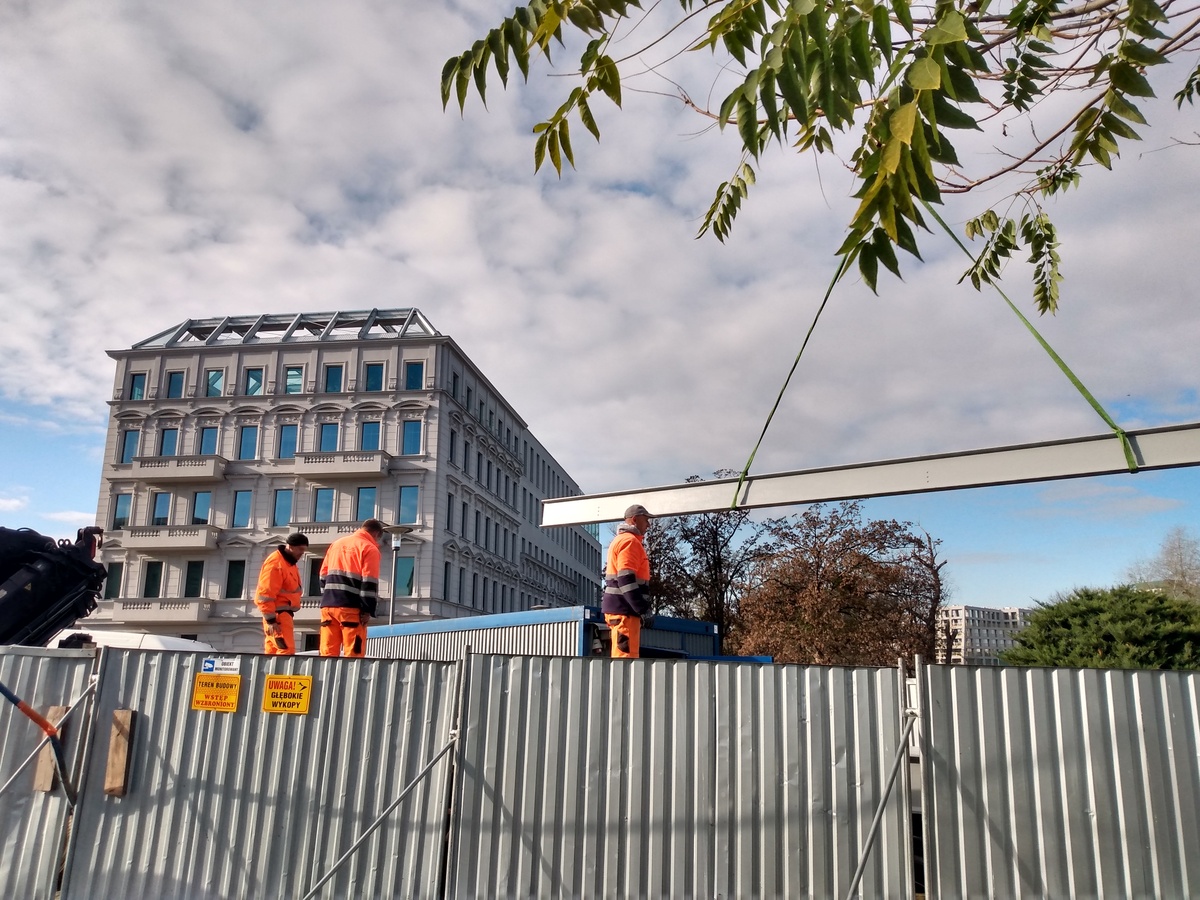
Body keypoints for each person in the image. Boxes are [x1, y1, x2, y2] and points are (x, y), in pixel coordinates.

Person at [319, 518, 384, 657]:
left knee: (327, 653)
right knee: (354, 653)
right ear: (376, 534)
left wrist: (328, 596)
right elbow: (369, 582)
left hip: (328, 607)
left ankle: (325, 678)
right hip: (351, 608)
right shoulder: (369, 548)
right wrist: (367, 610)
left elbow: (323, 574)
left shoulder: (336, 544)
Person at [602, 504, 654, 659]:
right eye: (646, 520)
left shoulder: (622, 540)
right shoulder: (630, 542)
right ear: (635, 520)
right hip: (625, 612)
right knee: (626, 661)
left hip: (622, 610)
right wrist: (642, 609)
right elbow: (625, 579)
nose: (648, 525)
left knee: (624, 659)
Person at [254, 533, 309, 655]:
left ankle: (271, 674)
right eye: (300, 549)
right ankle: (280, 674)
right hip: (278, 617)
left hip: (280, 616)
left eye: (304, 550)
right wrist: (271, 620)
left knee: (274, 651)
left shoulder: (288, 563)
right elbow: (265, 594)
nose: (302, 553)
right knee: (285, 651)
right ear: (290, 546)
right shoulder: (277, 564)